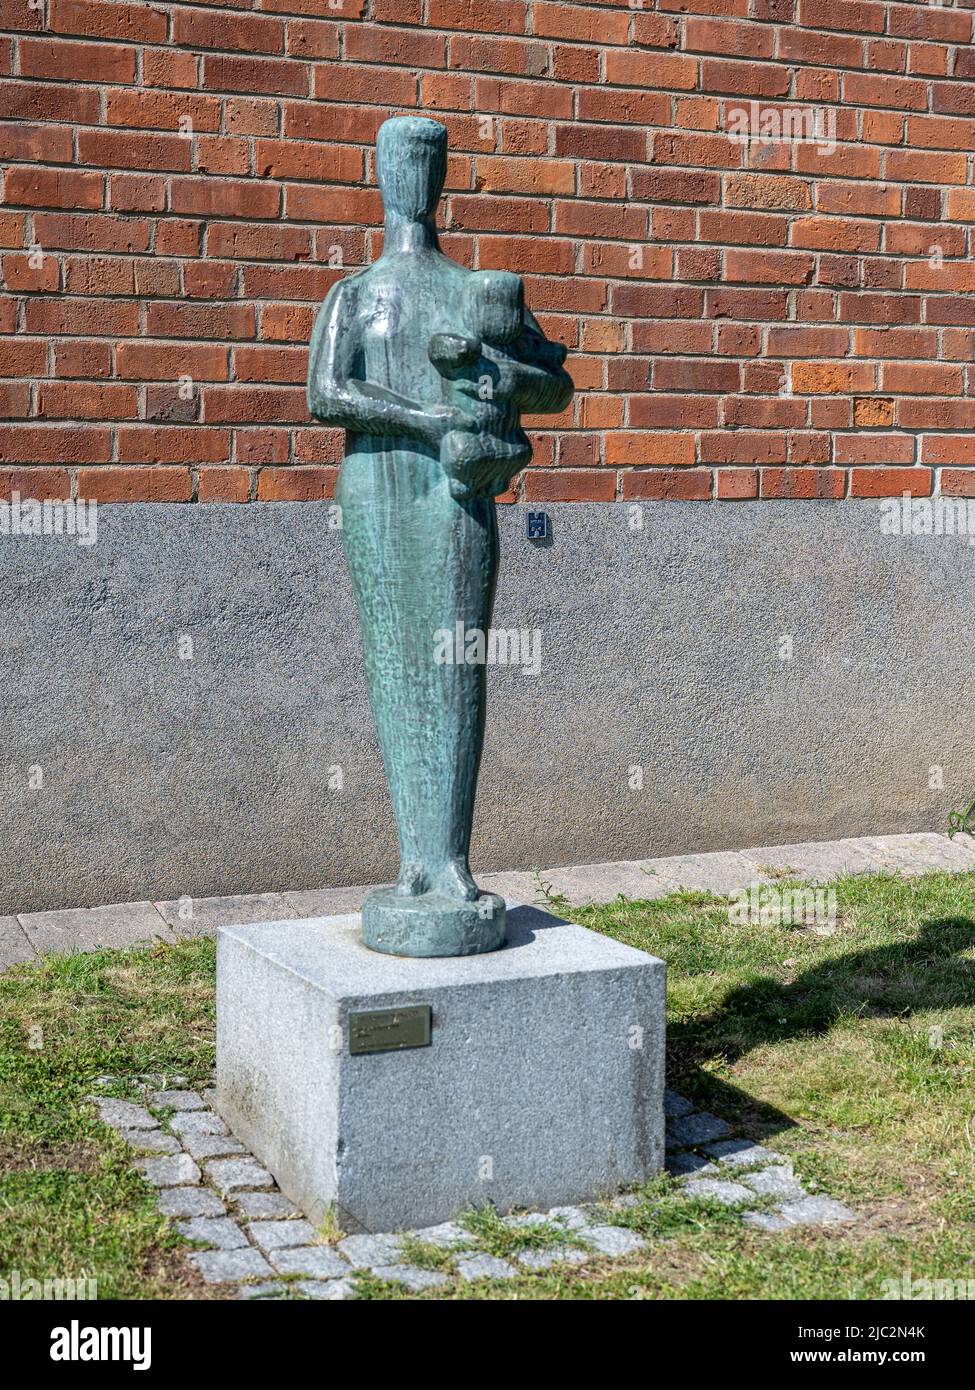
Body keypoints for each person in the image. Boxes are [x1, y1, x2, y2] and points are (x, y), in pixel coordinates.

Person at [307, 116, 573, 957]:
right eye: (398, 163)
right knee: (392, 657)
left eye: (426, 164)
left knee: (456, 660)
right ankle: (410, 866)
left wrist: (495, 379)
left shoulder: (477, 288)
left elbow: (555, 387)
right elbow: (326, 394)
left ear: (441, 177)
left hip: (457, 497)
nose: (411, 180)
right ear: (380, 175)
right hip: (378, 492)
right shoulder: (354, 292)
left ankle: (450, 863)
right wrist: (426, 418)